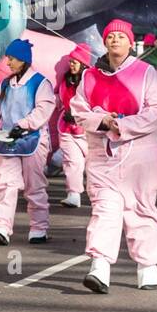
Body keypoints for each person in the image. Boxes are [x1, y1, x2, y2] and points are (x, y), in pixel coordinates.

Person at [70, 19, 157, 292]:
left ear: (130, 42)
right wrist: (103, 121)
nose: (115, 40)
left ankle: (147, 266)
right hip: (103, 155)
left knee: (140, 208)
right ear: (104, 41)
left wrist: (123, 125)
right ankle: (99, 267)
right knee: (105, 208)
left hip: (142, 155)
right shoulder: (90, 76)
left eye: (120, 36)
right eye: (110, 36)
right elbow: (79, 110)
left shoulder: (146, 72)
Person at [0, 37, 55, 246]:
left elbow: (44, 109)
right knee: (6, 184)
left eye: (12, 59)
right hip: (8, 140)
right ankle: (1, 226)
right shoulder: (6, 83)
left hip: (33, 140)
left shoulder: (40, 83)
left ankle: (39, 227)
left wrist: (24, 125)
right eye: (8, 58)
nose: (8, 63)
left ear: (24, 60)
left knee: (34, 187)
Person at [54, 44, 91, 208]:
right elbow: (57, 99)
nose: (72, 64)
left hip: (88, 131)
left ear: (84, 64)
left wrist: (79, 116)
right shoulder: (64, 82)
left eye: (76, 61)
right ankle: (73, 194)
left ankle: (99, 195)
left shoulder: (92, 81)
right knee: (72, 162)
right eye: (71, 61)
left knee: (95, 165)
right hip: (66, 127)